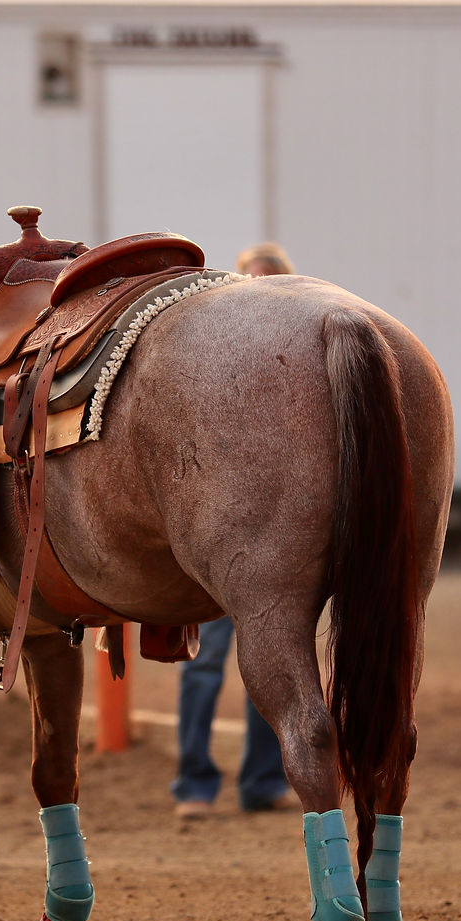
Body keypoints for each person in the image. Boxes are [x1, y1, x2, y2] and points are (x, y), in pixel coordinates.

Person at [171, 242, 300, 819]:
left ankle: (260, 781)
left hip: (267, 546)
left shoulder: (291, 377)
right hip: (217, 543)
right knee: (204, 666)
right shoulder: (212, 368)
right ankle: (195, 783)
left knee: (269, 668)